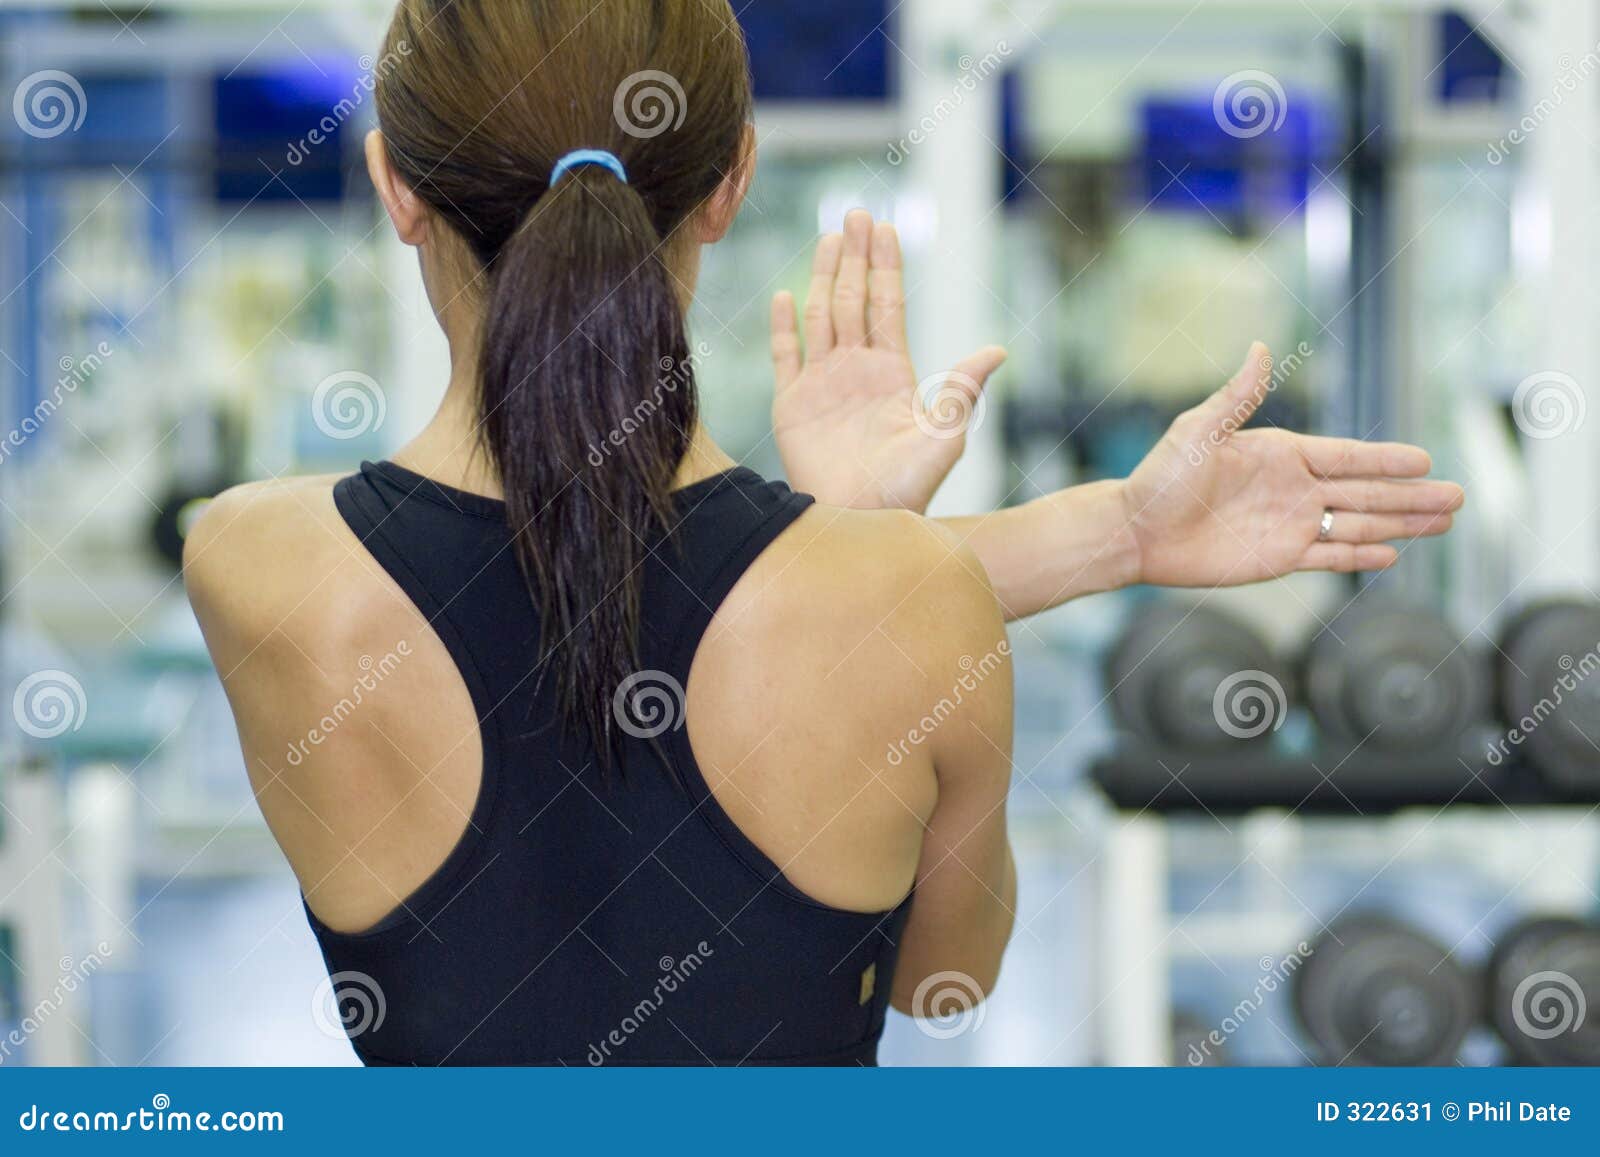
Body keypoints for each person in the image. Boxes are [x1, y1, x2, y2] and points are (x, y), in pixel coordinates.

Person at [183, 0, 1463, 1066]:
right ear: (730, 182)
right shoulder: (910, 602)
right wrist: (882, 543)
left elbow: (544, 582)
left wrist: (1087, 531)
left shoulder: (252, 563)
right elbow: (945, 975)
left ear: (394, 186)